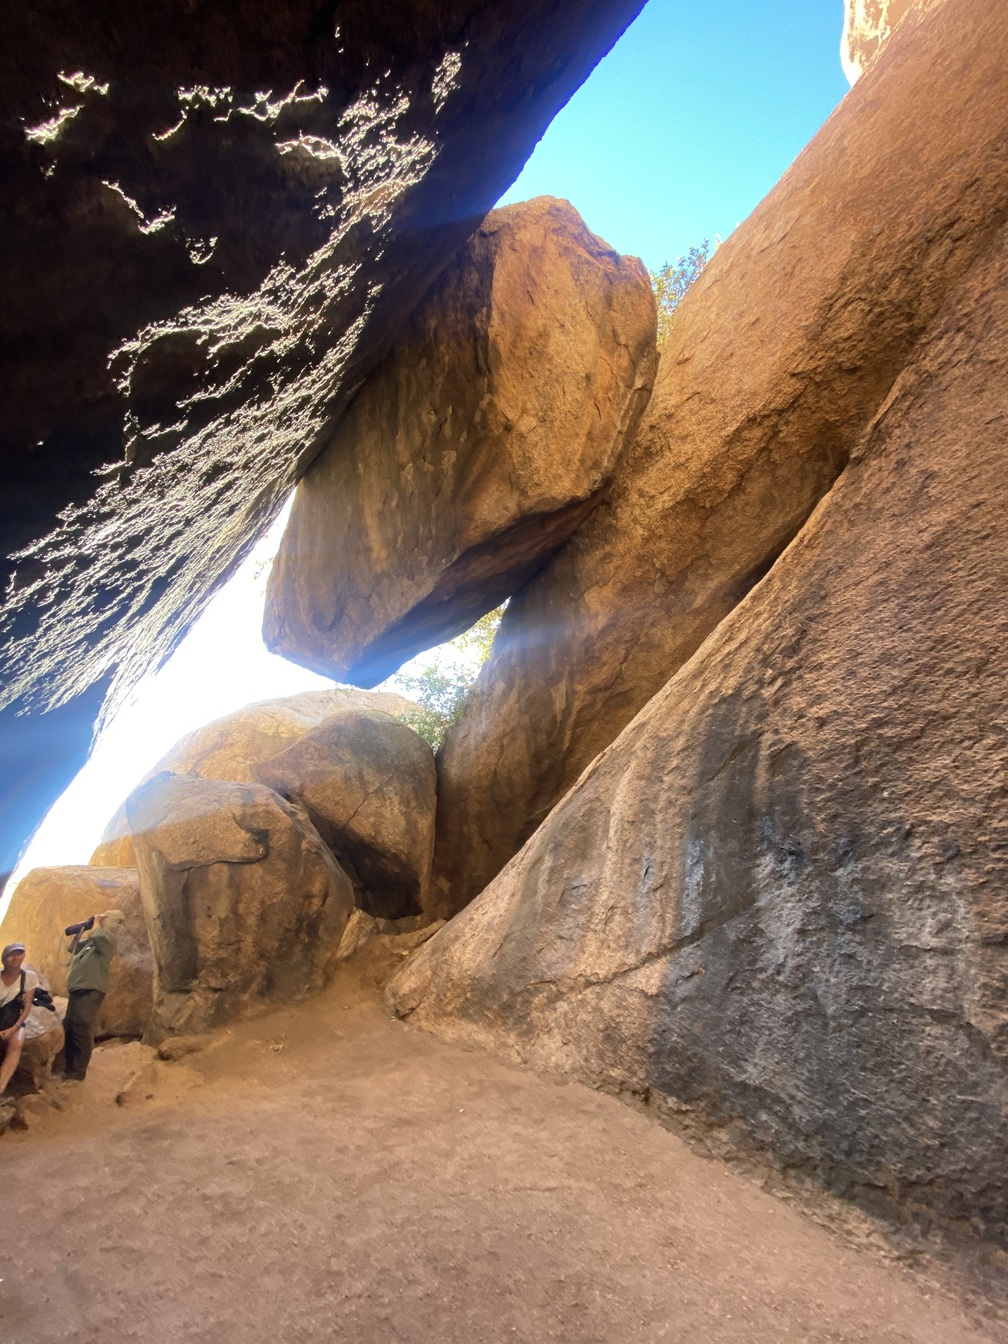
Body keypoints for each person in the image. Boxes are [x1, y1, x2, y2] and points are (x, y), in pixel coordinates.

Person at [62, 909, 124, 1082]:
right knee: (70, 1026)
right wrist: (81, 929)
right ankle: (69, 1067)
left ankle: (78, 1072)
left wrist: (96, 923)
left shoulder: (108, 941)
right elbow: (74, 949)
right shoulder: (93, 941)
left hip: (91, 989)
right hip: (78, 988)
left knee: (82, 1028)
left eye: (104, 918)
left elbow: (98, 937)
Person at [0, 942, 38, 1095]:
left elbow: (27, 1006)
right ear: (4, 959)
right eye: (11, 954)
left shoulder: (29, 977)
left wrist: (14, 1028)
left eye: (19, 953)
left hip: (12, 1020)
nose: (15, 958)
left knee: (17, 1043)